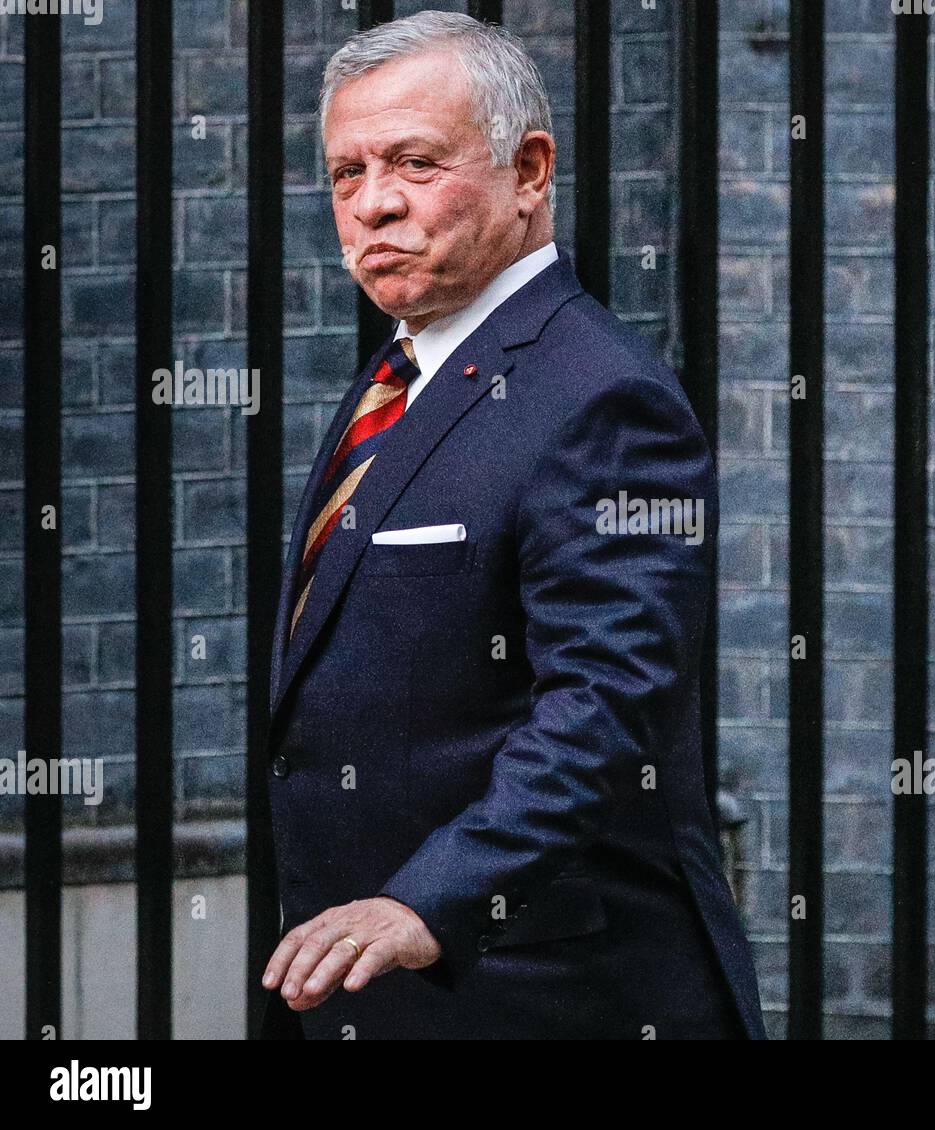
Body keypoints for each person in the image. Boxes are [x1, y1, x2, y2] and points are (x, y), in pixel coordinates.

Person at [256, 9, 764, 1040]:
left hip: (544, 993)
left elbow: (608, 701)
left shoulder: (603, 397)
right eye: (347, 174)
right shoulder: (404, 374)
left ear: (529, 170)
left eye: (414, 161)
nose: (375, 203)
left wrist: (424, 899)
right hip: (367, 986)